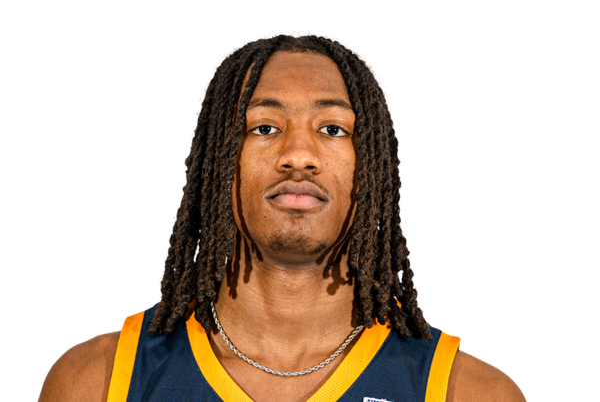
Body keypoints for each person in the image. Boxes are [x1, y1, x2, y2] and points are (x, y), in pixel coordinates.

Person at [38, 33, 526, 402]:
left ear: (374, 165)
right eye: (264, 127)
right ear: (217, 160)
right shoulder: (98, 382)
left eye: (332, 129)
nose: (298, 155)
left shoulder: (469, 392)